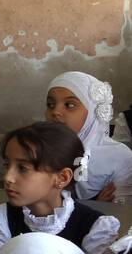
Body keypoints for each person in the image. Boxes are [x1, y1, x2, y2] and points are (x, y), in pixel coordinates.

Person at [0, 122, 119, 254]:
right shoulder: (2, 218)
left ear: (62, 178)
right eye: (7, 165)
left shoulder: (96, 228)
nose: (7, 177)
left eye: (22, 168)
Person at [45, 71, 132, 202]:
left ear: (93, 110)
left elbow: (121, 211)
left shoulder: (119, 156)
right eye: (50, 105)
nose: (55, 112)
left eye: (70, 105)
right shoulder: (39, 148)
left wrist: (100, 207)